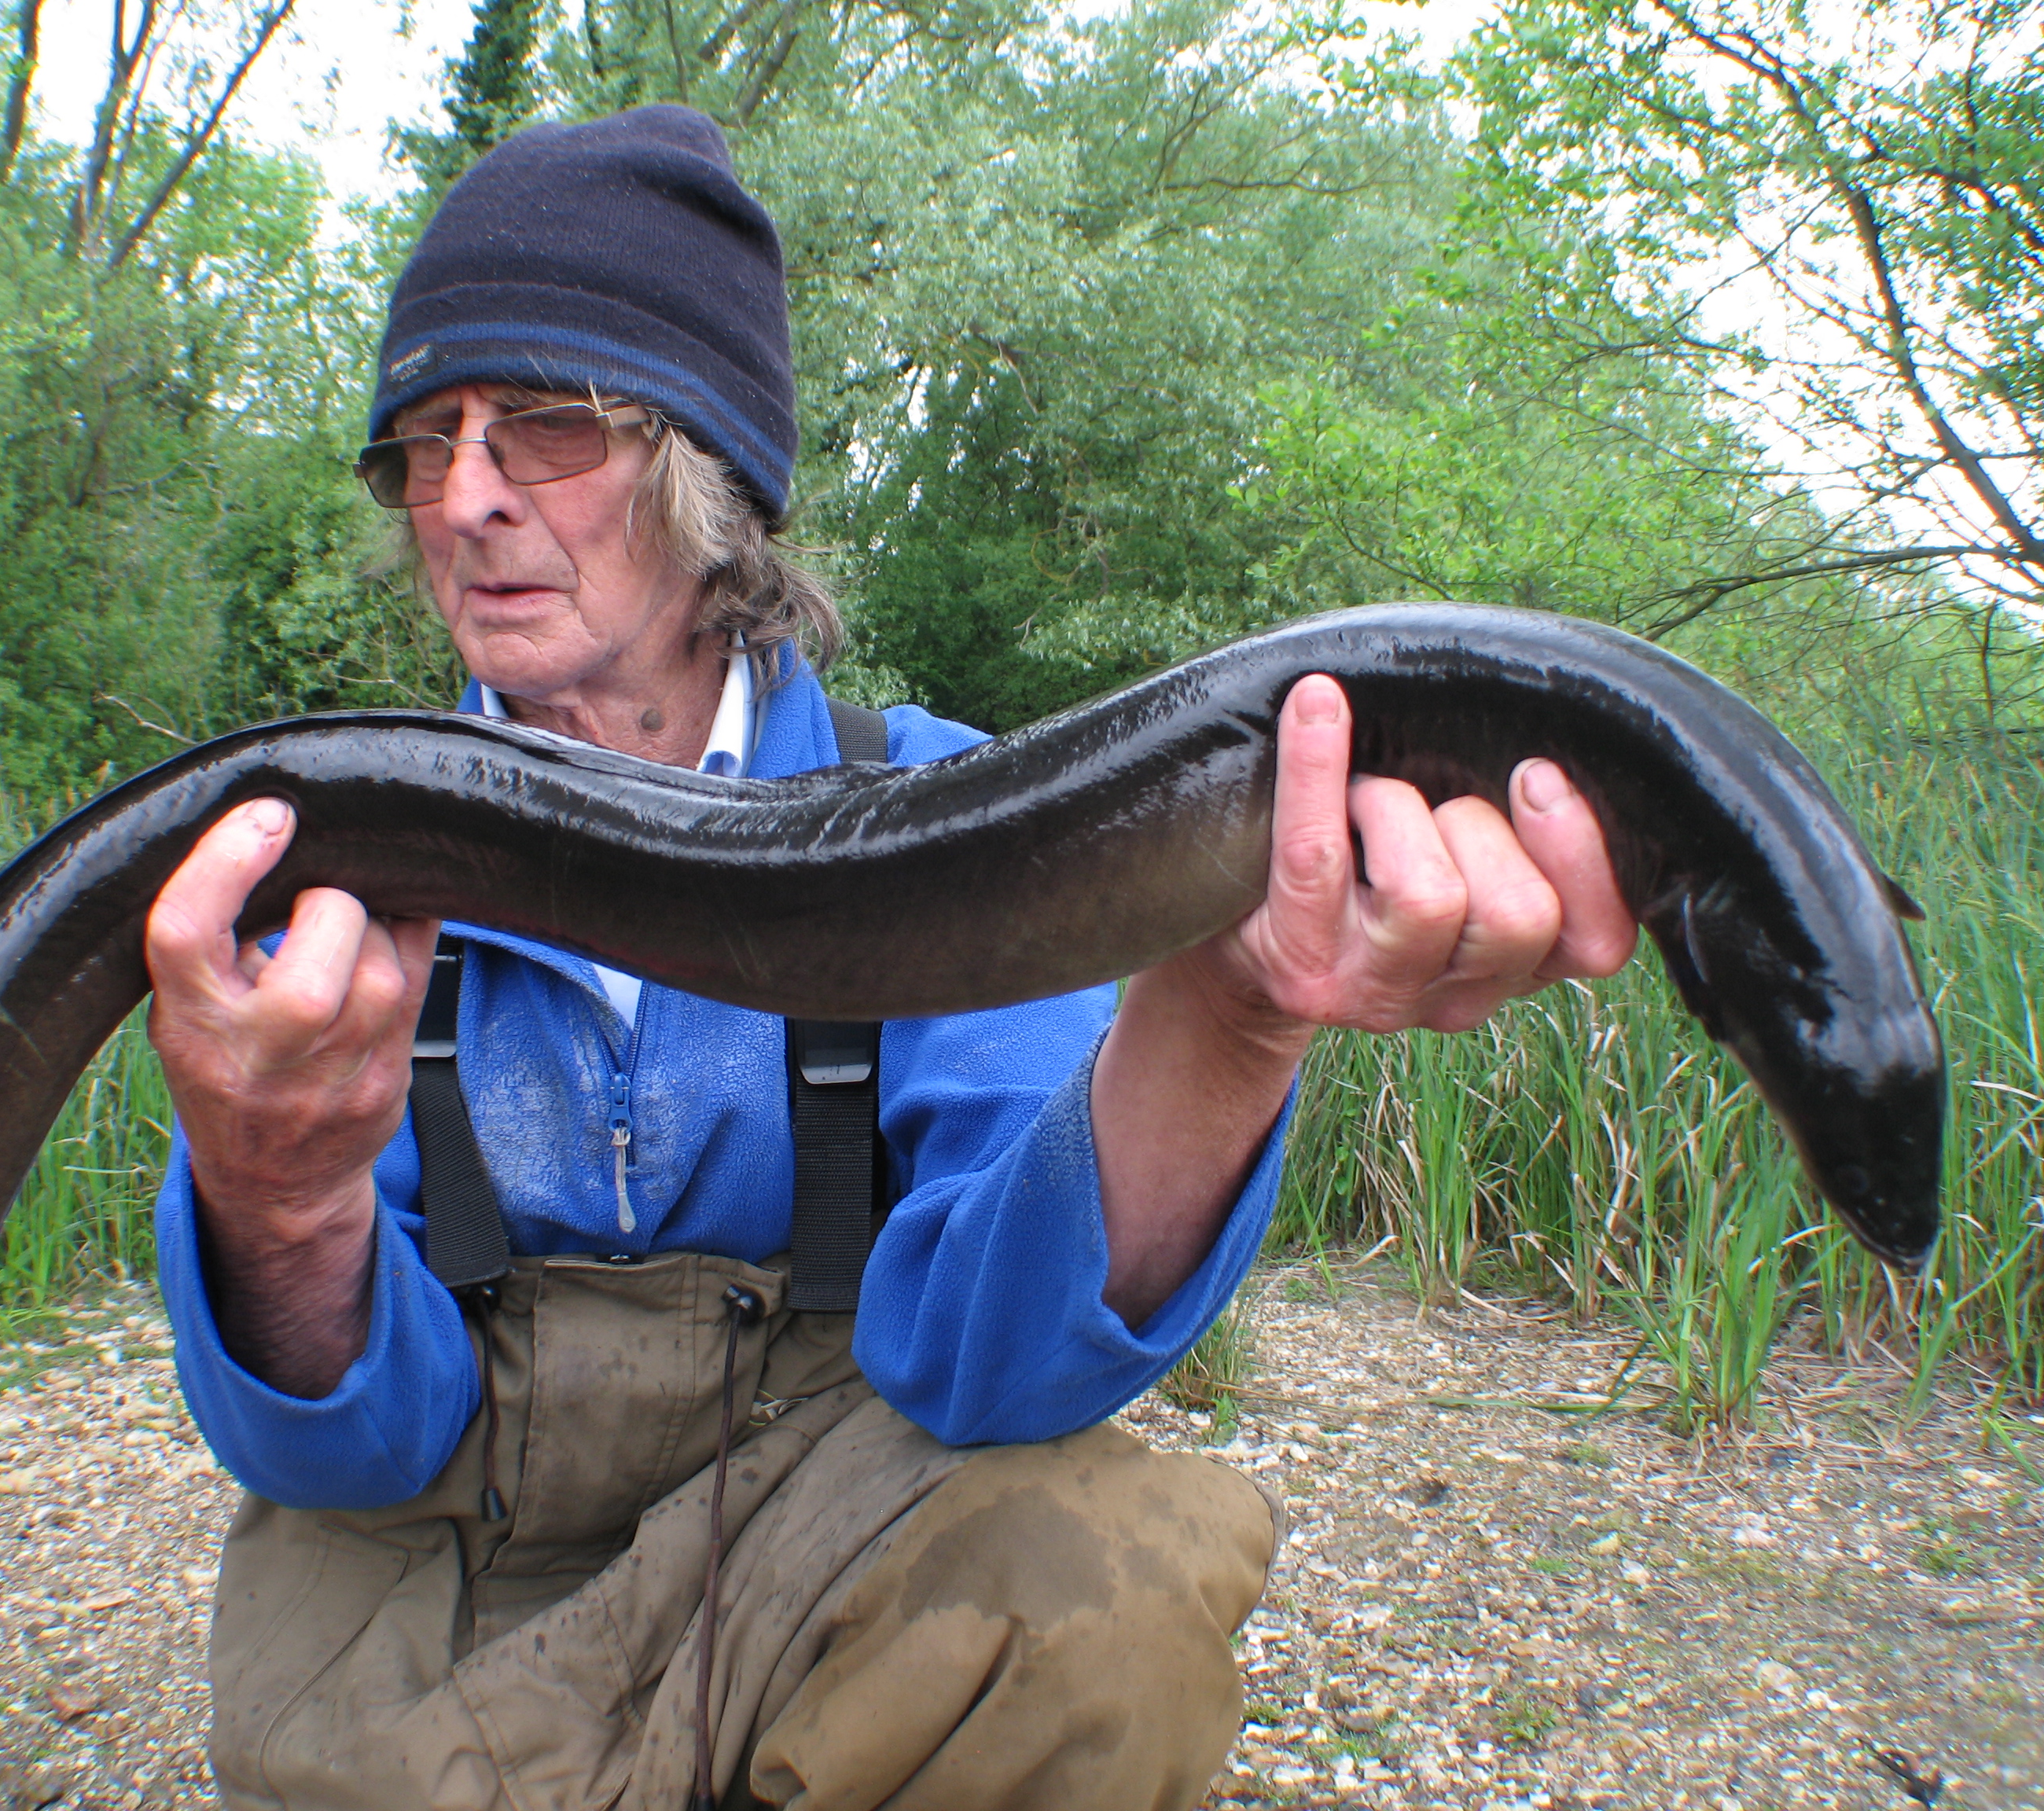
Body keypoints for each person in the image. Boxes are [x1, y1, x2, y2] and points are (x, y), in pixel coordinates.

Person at [143, 106, 1638, 1811]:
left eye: (546, 426)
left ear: (707, 474)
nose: (465, 498)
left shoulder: (963, 820)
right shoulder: (325, 871)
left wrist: (1229, 1015)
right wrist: (280, 1206)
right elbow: (357, 1445)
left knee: (1103, 1607)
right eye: (425, 442)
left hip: (826, 1544)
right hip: (439, 1576)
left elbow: (984, 1370)